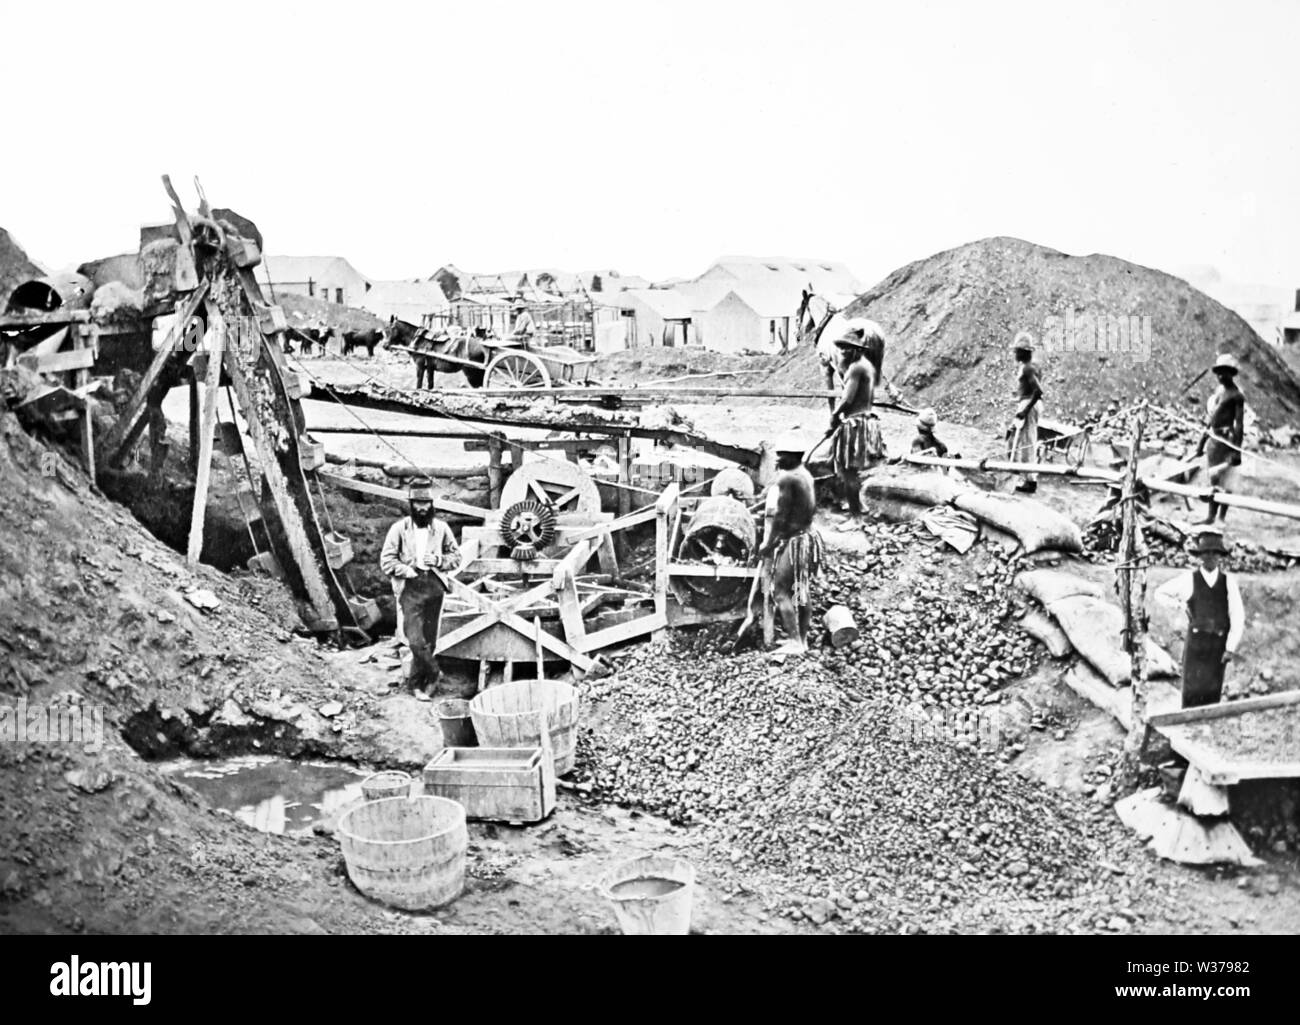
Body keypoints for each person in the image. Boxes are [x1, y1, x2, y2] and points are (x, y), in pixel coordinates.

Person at [379, 477, 461, 694]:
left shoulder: (442, 529)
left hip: (434, 586)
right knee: (414, 639)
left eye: (426, 504)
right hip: (410, 588)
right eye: (418, 504)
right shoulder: (399, 529)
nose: (422, 508)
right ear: (411, 505)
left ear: (432, 505)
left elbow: (456, 556)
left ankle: (419, 686)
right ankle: (435, 672)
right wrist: (407, 570)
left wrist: (440, 561)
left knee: (429, 639)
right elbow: (386, 561)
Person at [1154, 529, 1244, 708]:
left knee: (1212, 690)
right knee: (1192, 689)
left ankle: (1207, 731)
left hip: (1218, 646)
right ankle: (1188, 729)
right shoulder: (1189, 579)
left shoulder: (1228, 583)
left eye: (1214, 553)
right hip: (1196, 644)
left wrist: (1230, 648)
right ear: (1200, 556)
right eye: (1206, 553)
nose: (1210, 557)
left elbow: (1238, 616)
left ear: (1220, 556)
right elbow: (1160, 593)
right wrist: (1181, 606)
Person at [759, 451, 823, 655]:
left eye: (782, 456)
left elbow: (780, 517)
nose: (777, 460)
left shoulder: (788, 478)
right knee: (802, 591)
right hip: (808, 536)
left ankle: (795, 641)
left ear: (795, 456)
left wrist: (768, 544)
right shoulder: (805, 473)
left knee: (779, 591)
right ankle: (802, 640)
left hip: (795, 541)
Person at [828, 324, 886, 514]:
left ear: (857, 349)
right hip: (865, 421)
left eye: (847, 347)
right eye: (841, 347)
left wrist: (834, 417)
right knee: (853, 471)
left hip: (855, 424)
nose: (843, 351)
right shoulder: (866, 366)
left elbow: (847, 399)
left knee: (848, 472)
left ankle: (855, 517)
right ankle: (860, 508)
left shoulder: (856, 368)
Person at [1194, 353, 1245, 524]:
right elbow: (1211, 418)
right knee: (1213, 478)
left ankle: (1221, 516)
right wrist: (1201, 443)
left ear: (1232, 373)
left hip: (1226, 440)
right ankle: (1210, 515)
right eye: (1219, 372)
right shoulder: (1219, 391)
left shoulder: (1236, 395)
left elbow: (1239, 424)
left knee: (1226, 480)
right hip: (1214, 440)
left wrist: (1237, 451)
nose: (1221, 376)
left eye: (1225, 372)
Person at [1010, 339, 1043, 494]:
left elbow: (1038, 391)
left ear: (1024, 352)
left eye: (1017, 351)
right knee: (1018, 439)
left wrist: (1025, 409)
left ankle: (1030, 480)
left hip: (1029, 404)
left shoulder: (1028, 368)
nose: (1015, 354)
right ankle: (1019, 470)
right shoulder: (1031, 366)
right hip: (1028, 402)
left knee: (1028, 442)